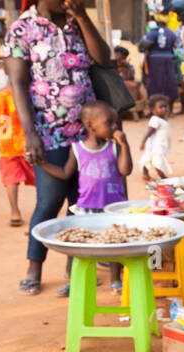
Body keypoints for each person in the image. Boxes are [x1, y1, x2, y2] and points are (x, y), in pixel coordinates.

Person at [2, 0, 111, 295]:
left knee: (82, 201)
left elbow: (103, 59)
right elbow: (18, 83)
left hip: (88, 133)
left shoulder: (78, 23)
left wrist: (83, 17)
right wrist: (30, 134)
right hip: (49, 132)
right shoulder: (22, 29)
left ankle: (74, 269)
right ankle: (34, 266)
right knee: (49, 201)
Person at [40, 100, 132, 287]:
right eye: (109, 122)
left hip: (112, 206)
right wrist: (41, 164)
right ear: (90, 125)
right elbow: (65, 173)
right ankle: (75, 280)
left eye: (115, 122)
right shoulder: (78, 149)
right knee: (81, 245)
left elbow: (125, 170)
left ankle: (116, 280)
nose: (115, 127)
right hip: (87, 205)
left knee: (114, 244)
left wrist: (125, 146)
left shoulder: (113, 147)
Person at [0, 85, 35, 226]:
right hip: (27, 140)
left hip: (6, 141)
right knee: (38, 175)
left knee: (10, 179)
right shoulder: (29, 91)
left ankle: (15, 212)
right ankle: (43, 209)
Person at [139, 21, 179, 107]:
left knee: (154, 85)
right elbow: (175, 45)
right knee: (169, 84)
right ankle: (170, 109)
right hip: (168, 60)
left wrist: (142, 47)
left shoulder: (152, 33)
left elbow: (147, 44)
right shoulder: (171, 33)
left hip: (155, 61)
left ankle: (154, 109)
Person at [138, 92, 173, 178]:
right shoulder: (155, 120)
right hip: (156, 145)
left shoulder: (163, 118)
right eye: (161, 107)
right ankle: (163, 177)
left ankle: (145, 173)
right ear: (153, 109)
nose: (164, 109)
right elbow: (149, 132)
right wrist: (143, 142)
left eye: (165, 106)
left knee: (148, 158)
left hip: (159, 144)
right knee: (158, 161)